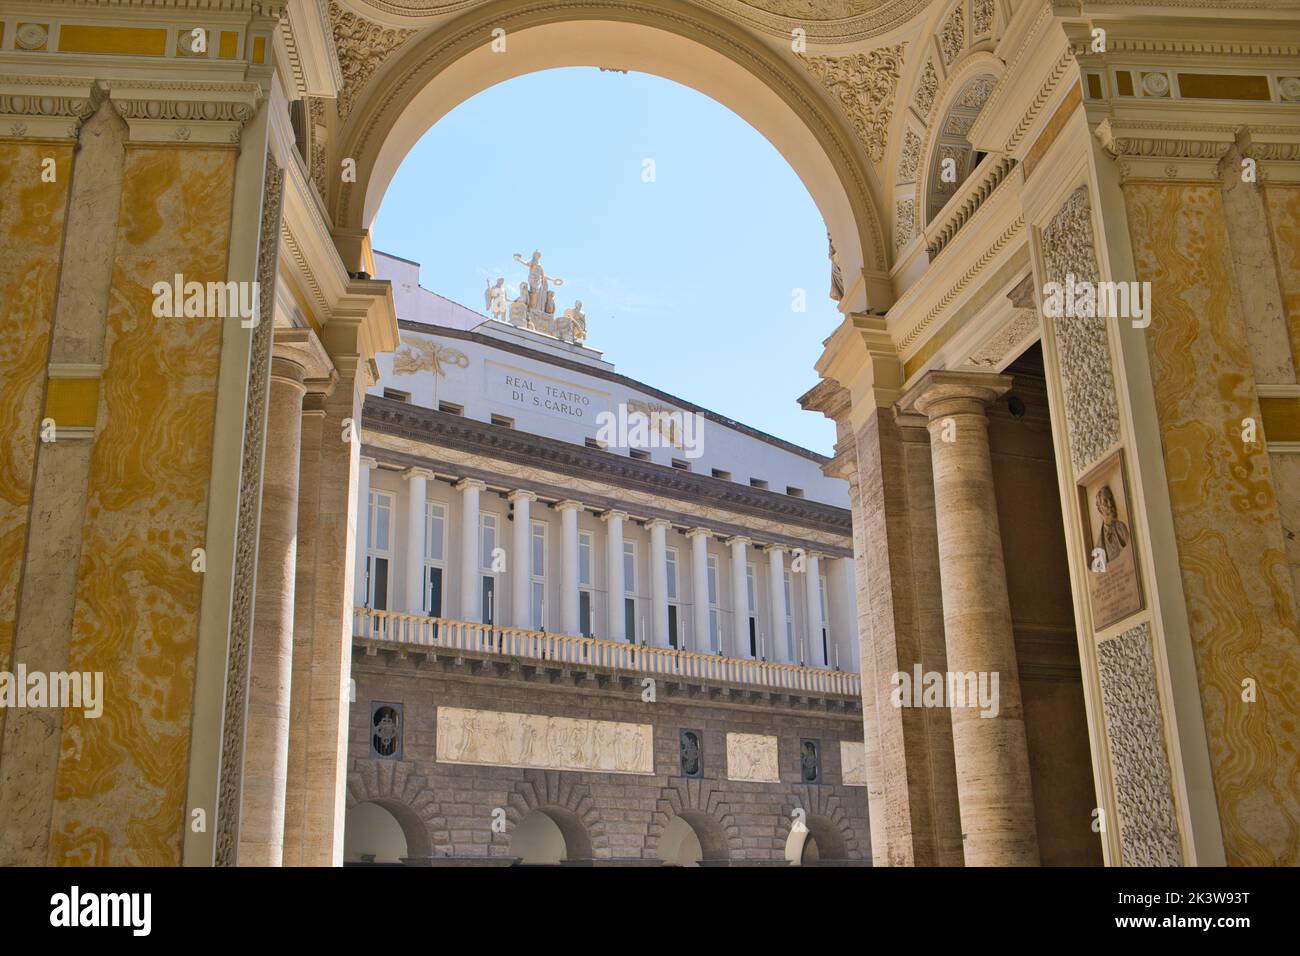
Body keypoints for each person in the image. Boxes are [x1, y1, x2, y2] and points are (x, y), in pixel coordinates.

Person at [1095, 485, 1130, 563]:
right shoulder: (1098, 546)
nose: (1110, 504)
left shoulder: (1122, 528)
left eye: (1110, 499)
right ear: (1099, 508)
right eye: (1105, 501)